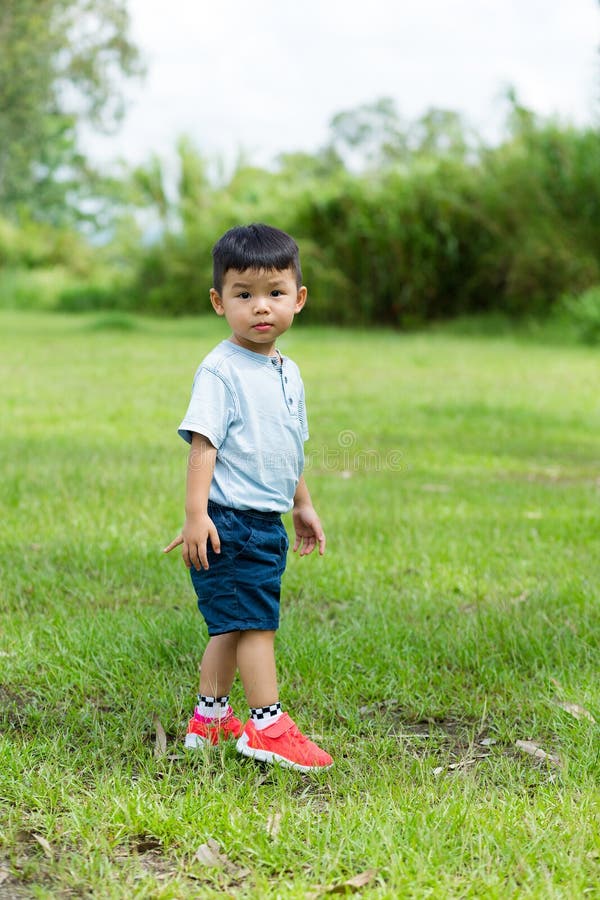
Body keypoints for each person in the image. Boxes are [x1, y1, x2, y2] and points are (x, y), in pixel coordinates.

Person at [163, 223, 333, 771]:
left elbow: (288, 446)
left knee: (232, 623)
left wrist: (301, 503)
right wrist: (196, 515)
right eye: (244, 295)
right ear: (219, 302)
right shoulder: (221, 370)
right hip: (230, 522)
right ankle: (268, 726)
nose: (261, 306)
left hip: (265, 520)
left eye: (275, 292)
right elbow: (203, 445)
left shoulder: (288, 371)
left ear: (298, 299)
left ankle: (210, 720)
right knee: (257, 624)